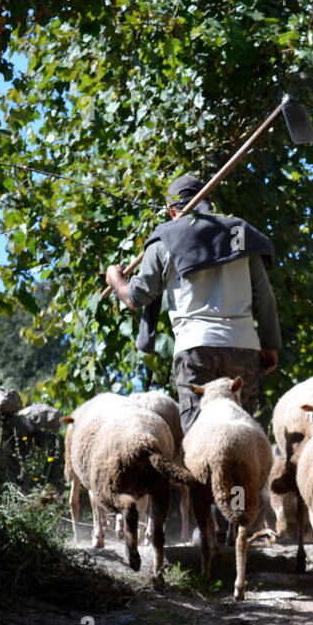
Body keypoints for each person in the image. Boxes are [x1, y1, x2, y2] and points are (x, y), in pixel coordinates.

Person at [105, 175, 281, 432]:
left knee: (198, 437)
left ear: (171, 209)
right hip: (242, 346)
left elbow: (136, 297)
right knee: (246, 433)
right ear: (209, 201)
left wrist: (116, 279)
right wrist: (269, 345)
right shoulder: (240, 234)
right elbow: (264, 298)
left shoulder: (164, 239)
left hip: (195, 349)